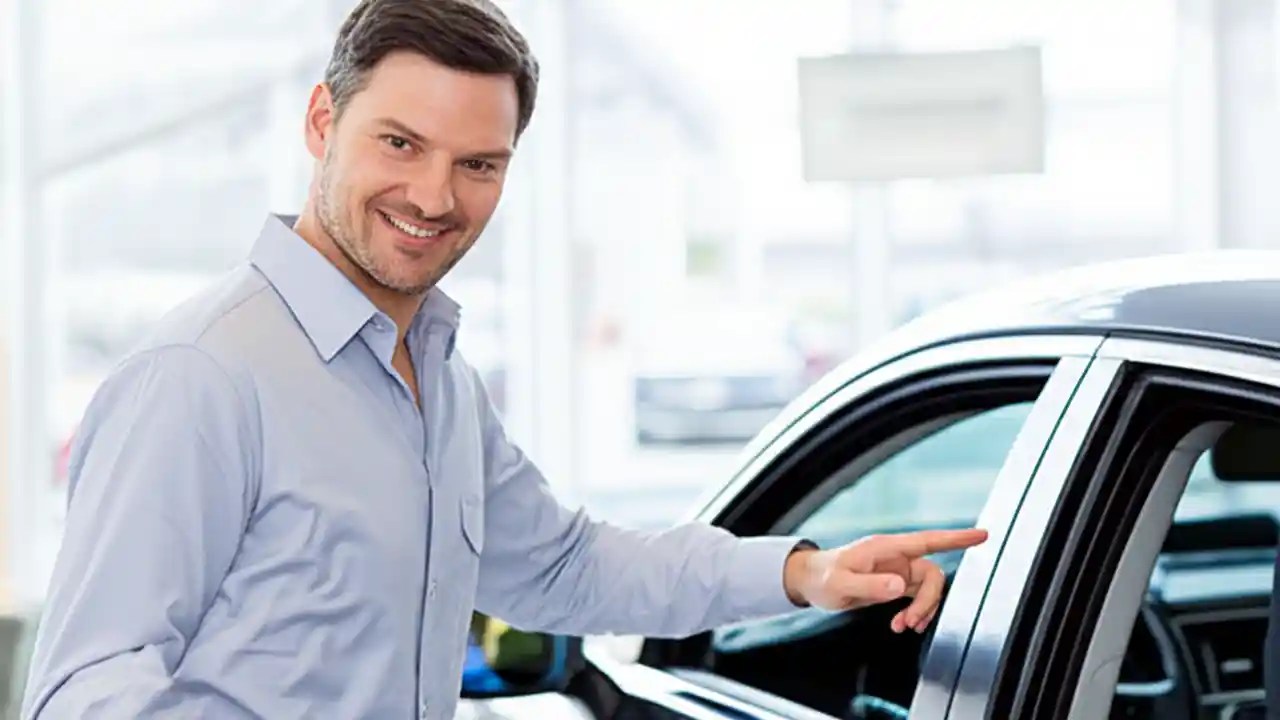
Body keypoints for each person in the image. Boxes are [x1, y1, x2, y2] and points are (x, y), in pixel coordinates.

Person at [20, 1, 988, 718]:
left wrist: (802, 574)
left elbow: (564, 566)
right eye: (399, 142)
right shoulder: (200, 377)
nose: (434, 196)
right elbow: (85, 694)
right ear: (322, 122)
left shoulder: (434, 377)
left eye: (477, 163)